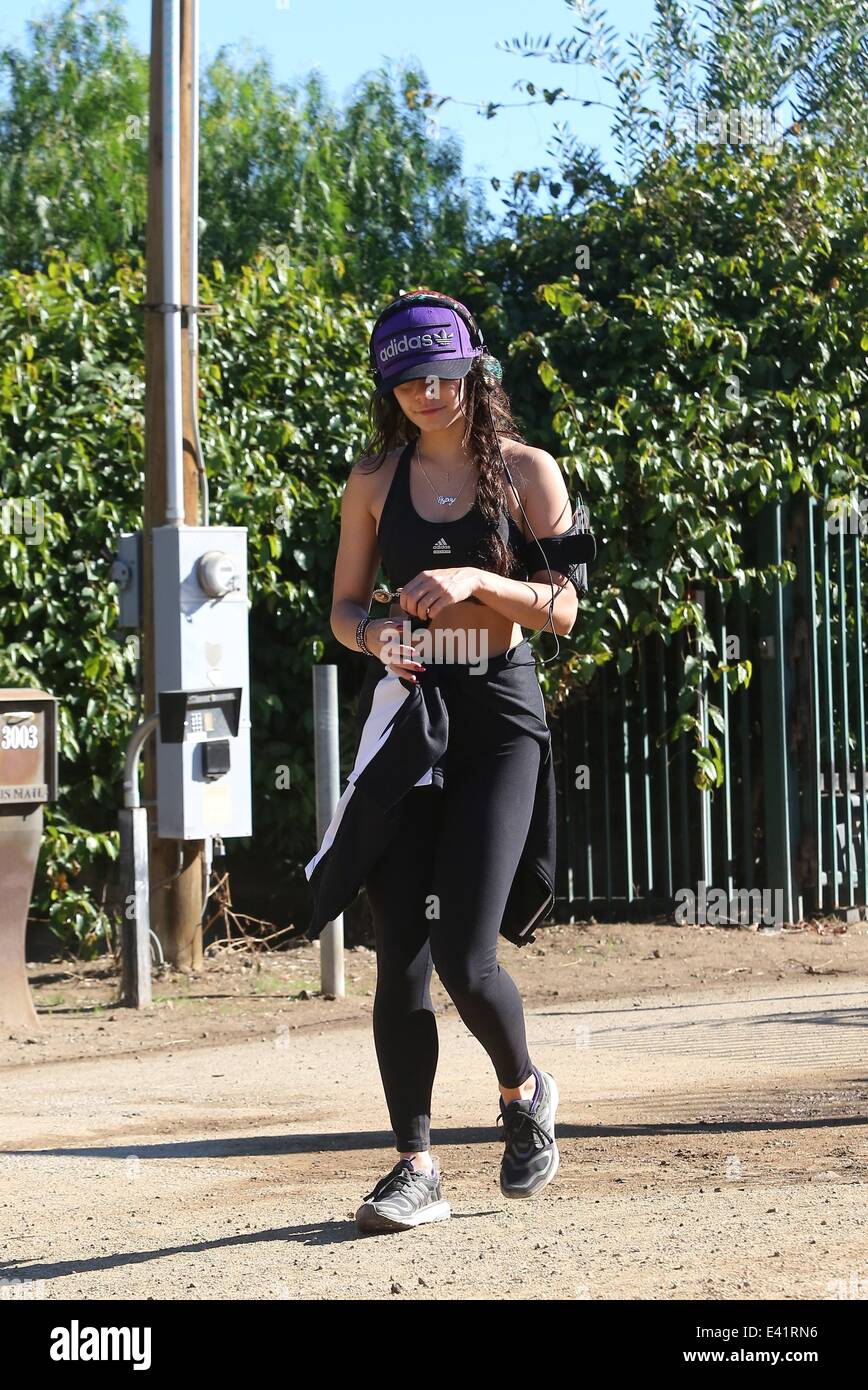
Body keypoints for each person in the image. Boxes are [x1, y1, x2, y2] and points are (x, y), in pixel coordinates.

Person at [318, 289, 585, 1235]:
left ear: (475, 367)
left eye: (443, 373)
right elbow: (344, 609)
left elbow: (563, 609)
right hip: (412, 716)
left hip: (500, 720)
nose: (429, 393)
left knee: (470, 959)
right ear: (388, 387)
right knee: (400, 959)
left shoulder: (526, 472)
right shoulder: (374, 479)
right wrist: (377, 632)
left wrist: (477, 577)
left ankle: (523, 1094)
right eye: (408, 379)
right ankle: (414, 1165)